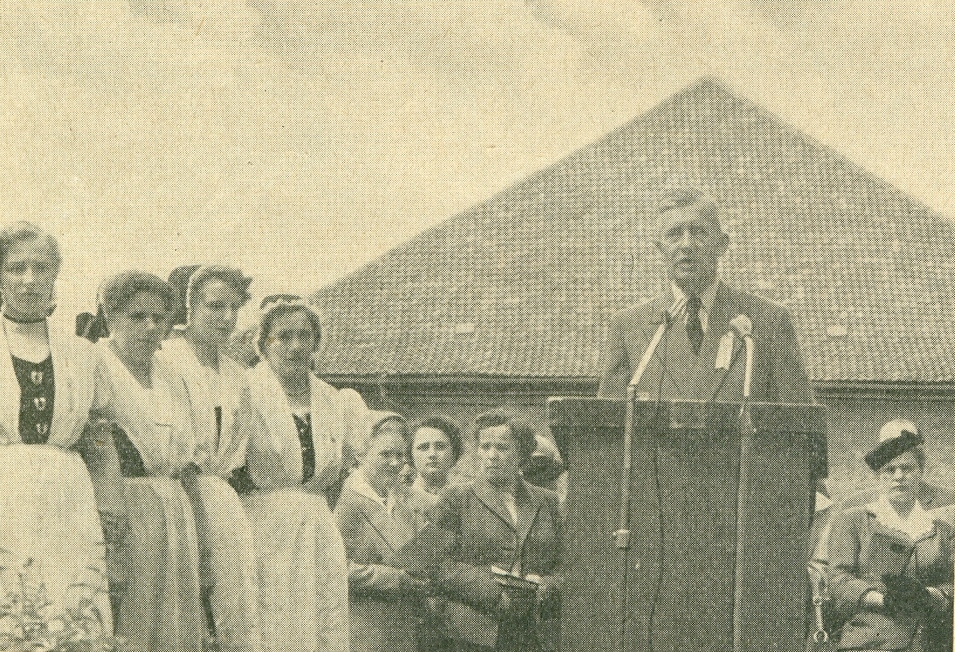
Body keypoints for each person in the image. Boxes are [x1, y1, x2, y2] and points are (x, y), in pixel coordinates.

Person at [0, 222, 116, 637]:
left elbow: (100, 444)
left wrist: (110, 515)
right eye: (16, 268)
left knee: (70, 607)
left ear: (55, 275)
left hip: (70, 499)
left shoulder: (83, 355)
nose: (29, 280)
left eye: (41, 267)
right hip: (6, 494)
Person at [597, 185, 814, 403]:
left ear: (721, 245)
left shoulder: (769, 321)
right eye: (674, 234)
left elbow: (803, 430)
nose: (687, 245)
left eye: (699, 232)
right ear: (660, 250)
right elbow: (606, 431)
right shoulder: (628, 327)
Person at [238, 295, 369, 652]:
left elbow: (339, 472)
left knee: (320, 618)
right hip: (261, 523)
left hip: (316, 523)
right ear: (265, 343)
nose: (296, 346)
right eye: (284, 336)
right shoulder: (244, 390)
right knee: (272, 617)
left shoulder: (332, 399)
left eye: (305, 335)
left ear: (315, 342)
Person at [95, 271, 206, 652]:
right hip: (120, 506)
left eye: (159, 319)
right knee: (129, 616)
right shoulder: (95, 365)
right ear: (111, 318)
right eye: (136, 317)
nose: (149, 327)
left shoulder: (172, 377)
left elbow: (187, 460)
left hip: (174, 511)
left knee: (174, 620)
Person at [156, 265, 260, 652]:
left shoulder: (237, 373)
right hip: (178, 494)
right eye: (215, 307)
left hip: (221, 497)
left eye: (234, 308)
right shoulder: (166, 359)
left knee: (232, 604)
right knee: (183, 603)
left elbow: (239, 448)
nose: (227, 318)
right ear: (189, 307)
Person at [424, 410, 563, 652]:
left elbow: (566, 563)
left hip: (533, 631)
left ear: (521, 454)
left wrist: (546, 586)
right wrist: (491, 589)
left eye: (502, 448)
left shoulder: (547, 501)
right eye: (485, 446)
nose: (491, 456)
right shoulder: (456, 498)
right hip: (473, 632)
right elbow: (435, 562)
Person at [827, 421, 953, 652]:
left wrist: (932, 595)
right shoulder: (854, 520)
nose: (898, 476)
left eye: (907, 468)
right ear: (878, 475)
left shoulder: (942, 530)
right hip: (870, 642)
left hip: (928, 644)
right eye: (890, 470)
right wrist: (881, 600)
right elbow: (838, 580)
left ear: (920, 472)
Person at [337, 411, 430, 652]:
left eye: (400, 455)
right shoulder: (343, 500)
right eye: (385, 454)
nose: (395, 463)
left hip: (402, 627)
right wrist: (394, 579)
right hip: (362, 627)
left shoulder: (404, 498)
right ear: (360, 455)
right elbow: (333, 566)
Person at [408, 415, 463, 506]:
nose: (432, 454)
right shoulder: (399, 502)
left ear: (454, 453)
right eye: (423, 447)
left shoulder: (465, 502)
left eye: (440, 447)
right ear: (410, 453)